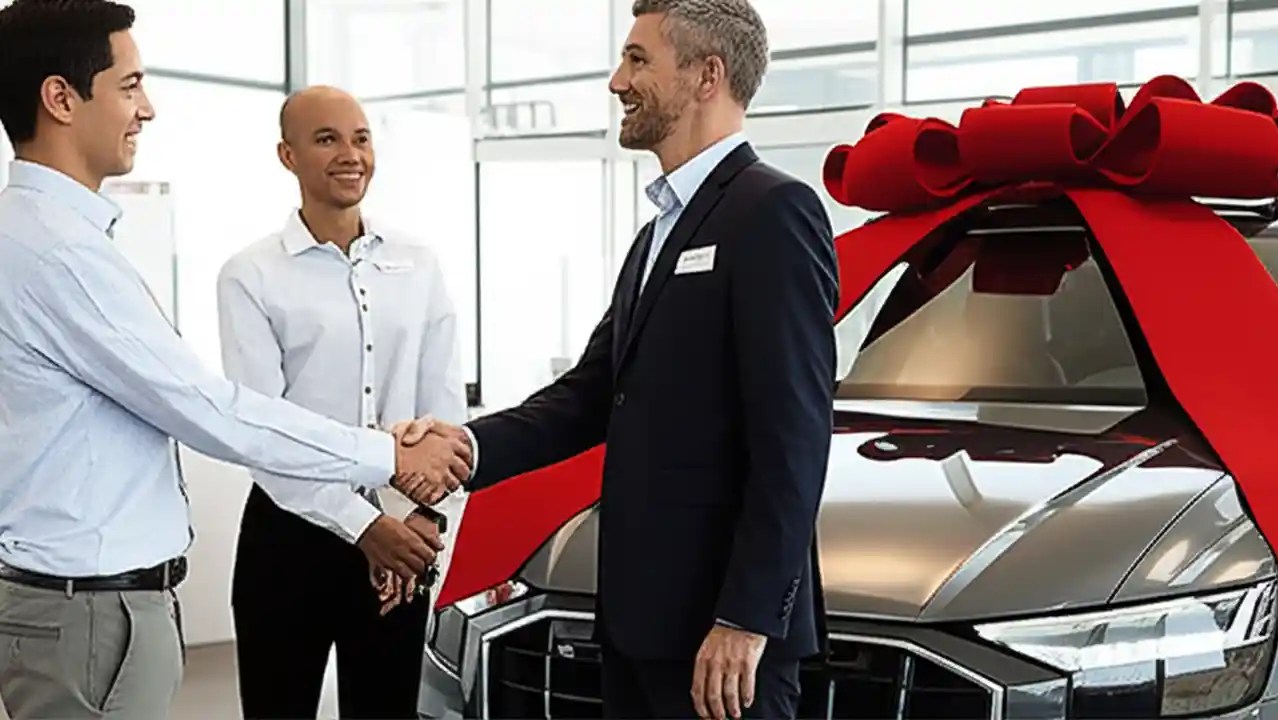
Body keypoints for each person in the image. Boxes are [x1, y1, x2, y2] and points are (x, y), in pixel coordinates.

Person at [0, 2, 468, 719]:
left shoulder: (55, 236)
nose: (146, 109)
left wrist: (418, 513)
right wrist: (386, 458)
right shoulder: (63, 252)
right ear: (60, 98)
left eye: (362, 137)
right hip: (100, 608)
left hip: (97, 604)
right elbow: (212, 409)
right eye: (129, 86)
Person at [408, 0, 837, 717]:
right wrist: (465, 447)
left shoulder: (773, 211)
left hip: (721, 642)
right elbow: (590, 395)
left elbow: (794, 438)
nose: (616, 81)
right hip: (641, 627)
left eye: (638, 59)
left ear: (708, 76)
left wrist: (747, 618)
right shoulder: (657, 236)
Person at [216, 85, 469, 720]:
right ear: (288, 155)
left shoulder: (420, 262)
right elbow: (261, 432)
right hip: (288, 533)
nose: (349, 154)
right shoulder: (250, 275)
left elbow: (444, 411)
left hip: (403, 527)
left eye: (360, 138)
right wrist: (365, 530)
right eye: (326, 139)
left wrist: (421, 521)